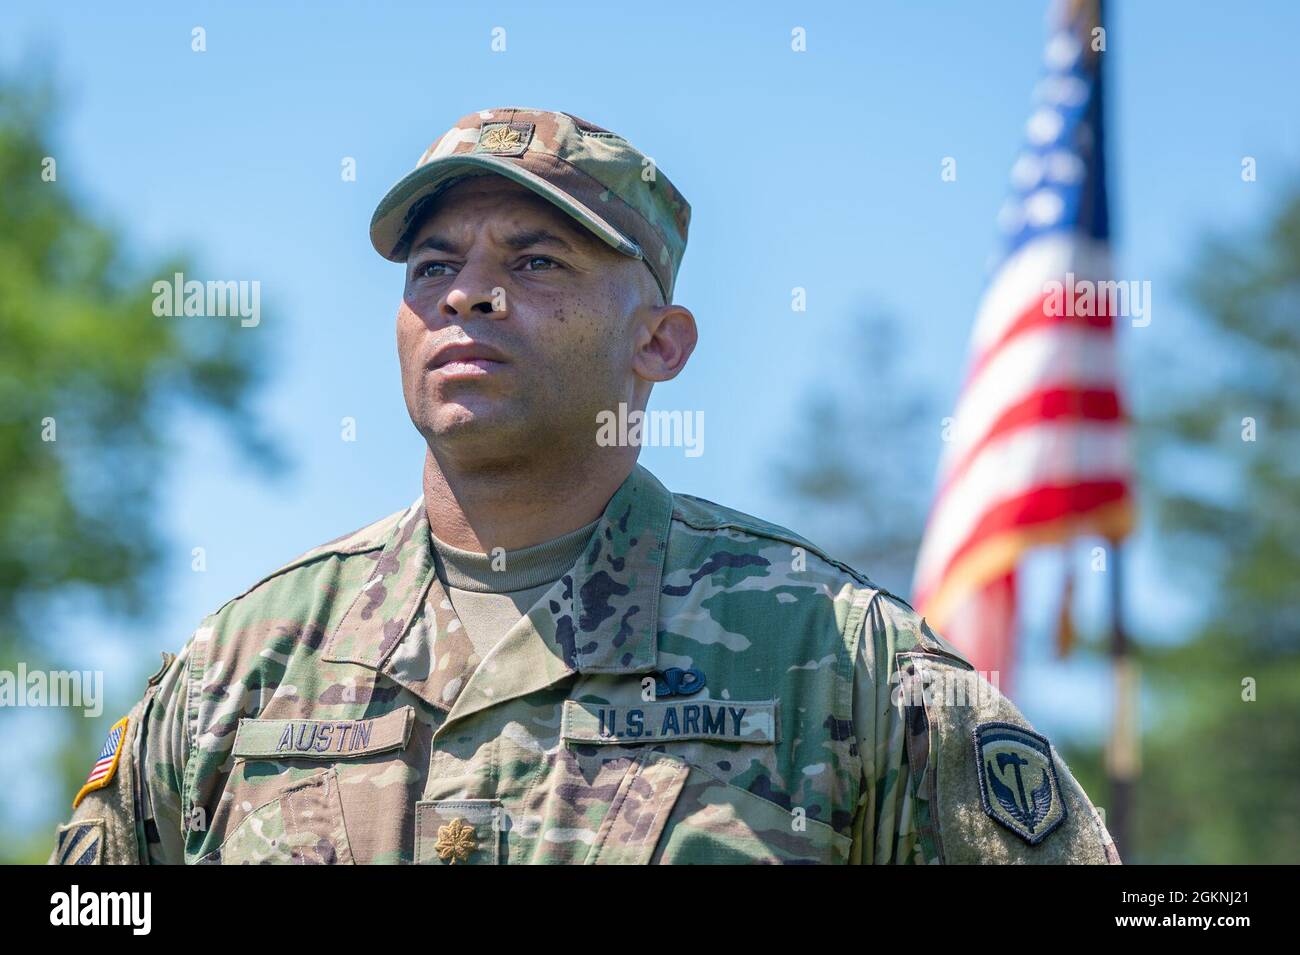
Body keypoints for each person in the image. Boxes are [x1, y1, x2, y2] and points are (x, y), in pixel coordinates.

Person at [50, 107, 1120, 865]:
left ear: (658, 342)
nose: (468, 293)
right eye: (433, 265)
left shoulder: (833, 655)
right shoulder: (241, 667)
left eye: (535, 262)